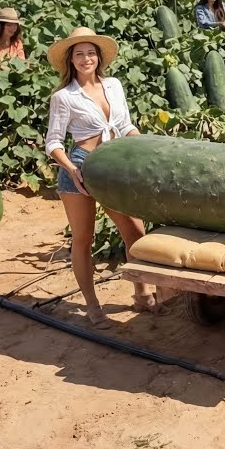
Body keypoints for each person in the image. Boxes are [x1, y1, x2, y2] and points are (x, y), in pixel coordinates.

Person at [44, 27, 164, 328]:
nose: (86, 59)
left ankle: (141, 292)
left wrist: (148, 146)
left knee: (134, 232)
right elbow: (53, 142)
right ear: (71, 60)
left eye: (91, 53)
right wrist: (72, 169)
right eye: (79, 54)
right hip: (81, 167)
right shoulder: (64, 96)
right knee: (83, 240)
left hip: (113, 166)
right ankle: (93, 305)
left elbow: (125, 127)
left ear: (99, 57)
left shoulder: (113, 86)